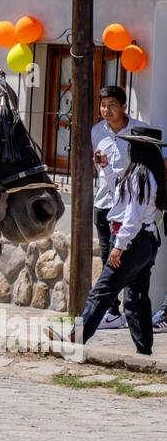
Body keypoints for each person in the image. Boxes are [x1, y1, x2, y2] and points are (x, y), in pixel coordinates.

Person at [74, 125, 167, 357]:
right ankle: (144, 350)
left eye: (132, 145)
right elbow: (121, 195)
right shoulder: (149, 175)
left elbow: (131, 217)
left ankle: (74, 337)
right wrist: (105, 167)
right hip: (146, 242)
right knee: (136, 297)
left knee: (103, 291)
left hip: (132, 242)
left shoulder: (140, 176)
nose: (129, 149)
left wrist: (119, 247)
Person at [91, 85, 140, 330]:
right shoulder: (96, 131)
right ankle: (111, 311)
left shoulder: (138, 131)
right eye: (103, 105)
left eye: (111, 105)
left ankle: (125, 312)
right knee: (105, 255)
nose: (106, 110)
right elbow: (100, 168)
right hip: (103, 203)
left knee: (123, 258)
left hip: (128, 208)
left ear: (123, 107)